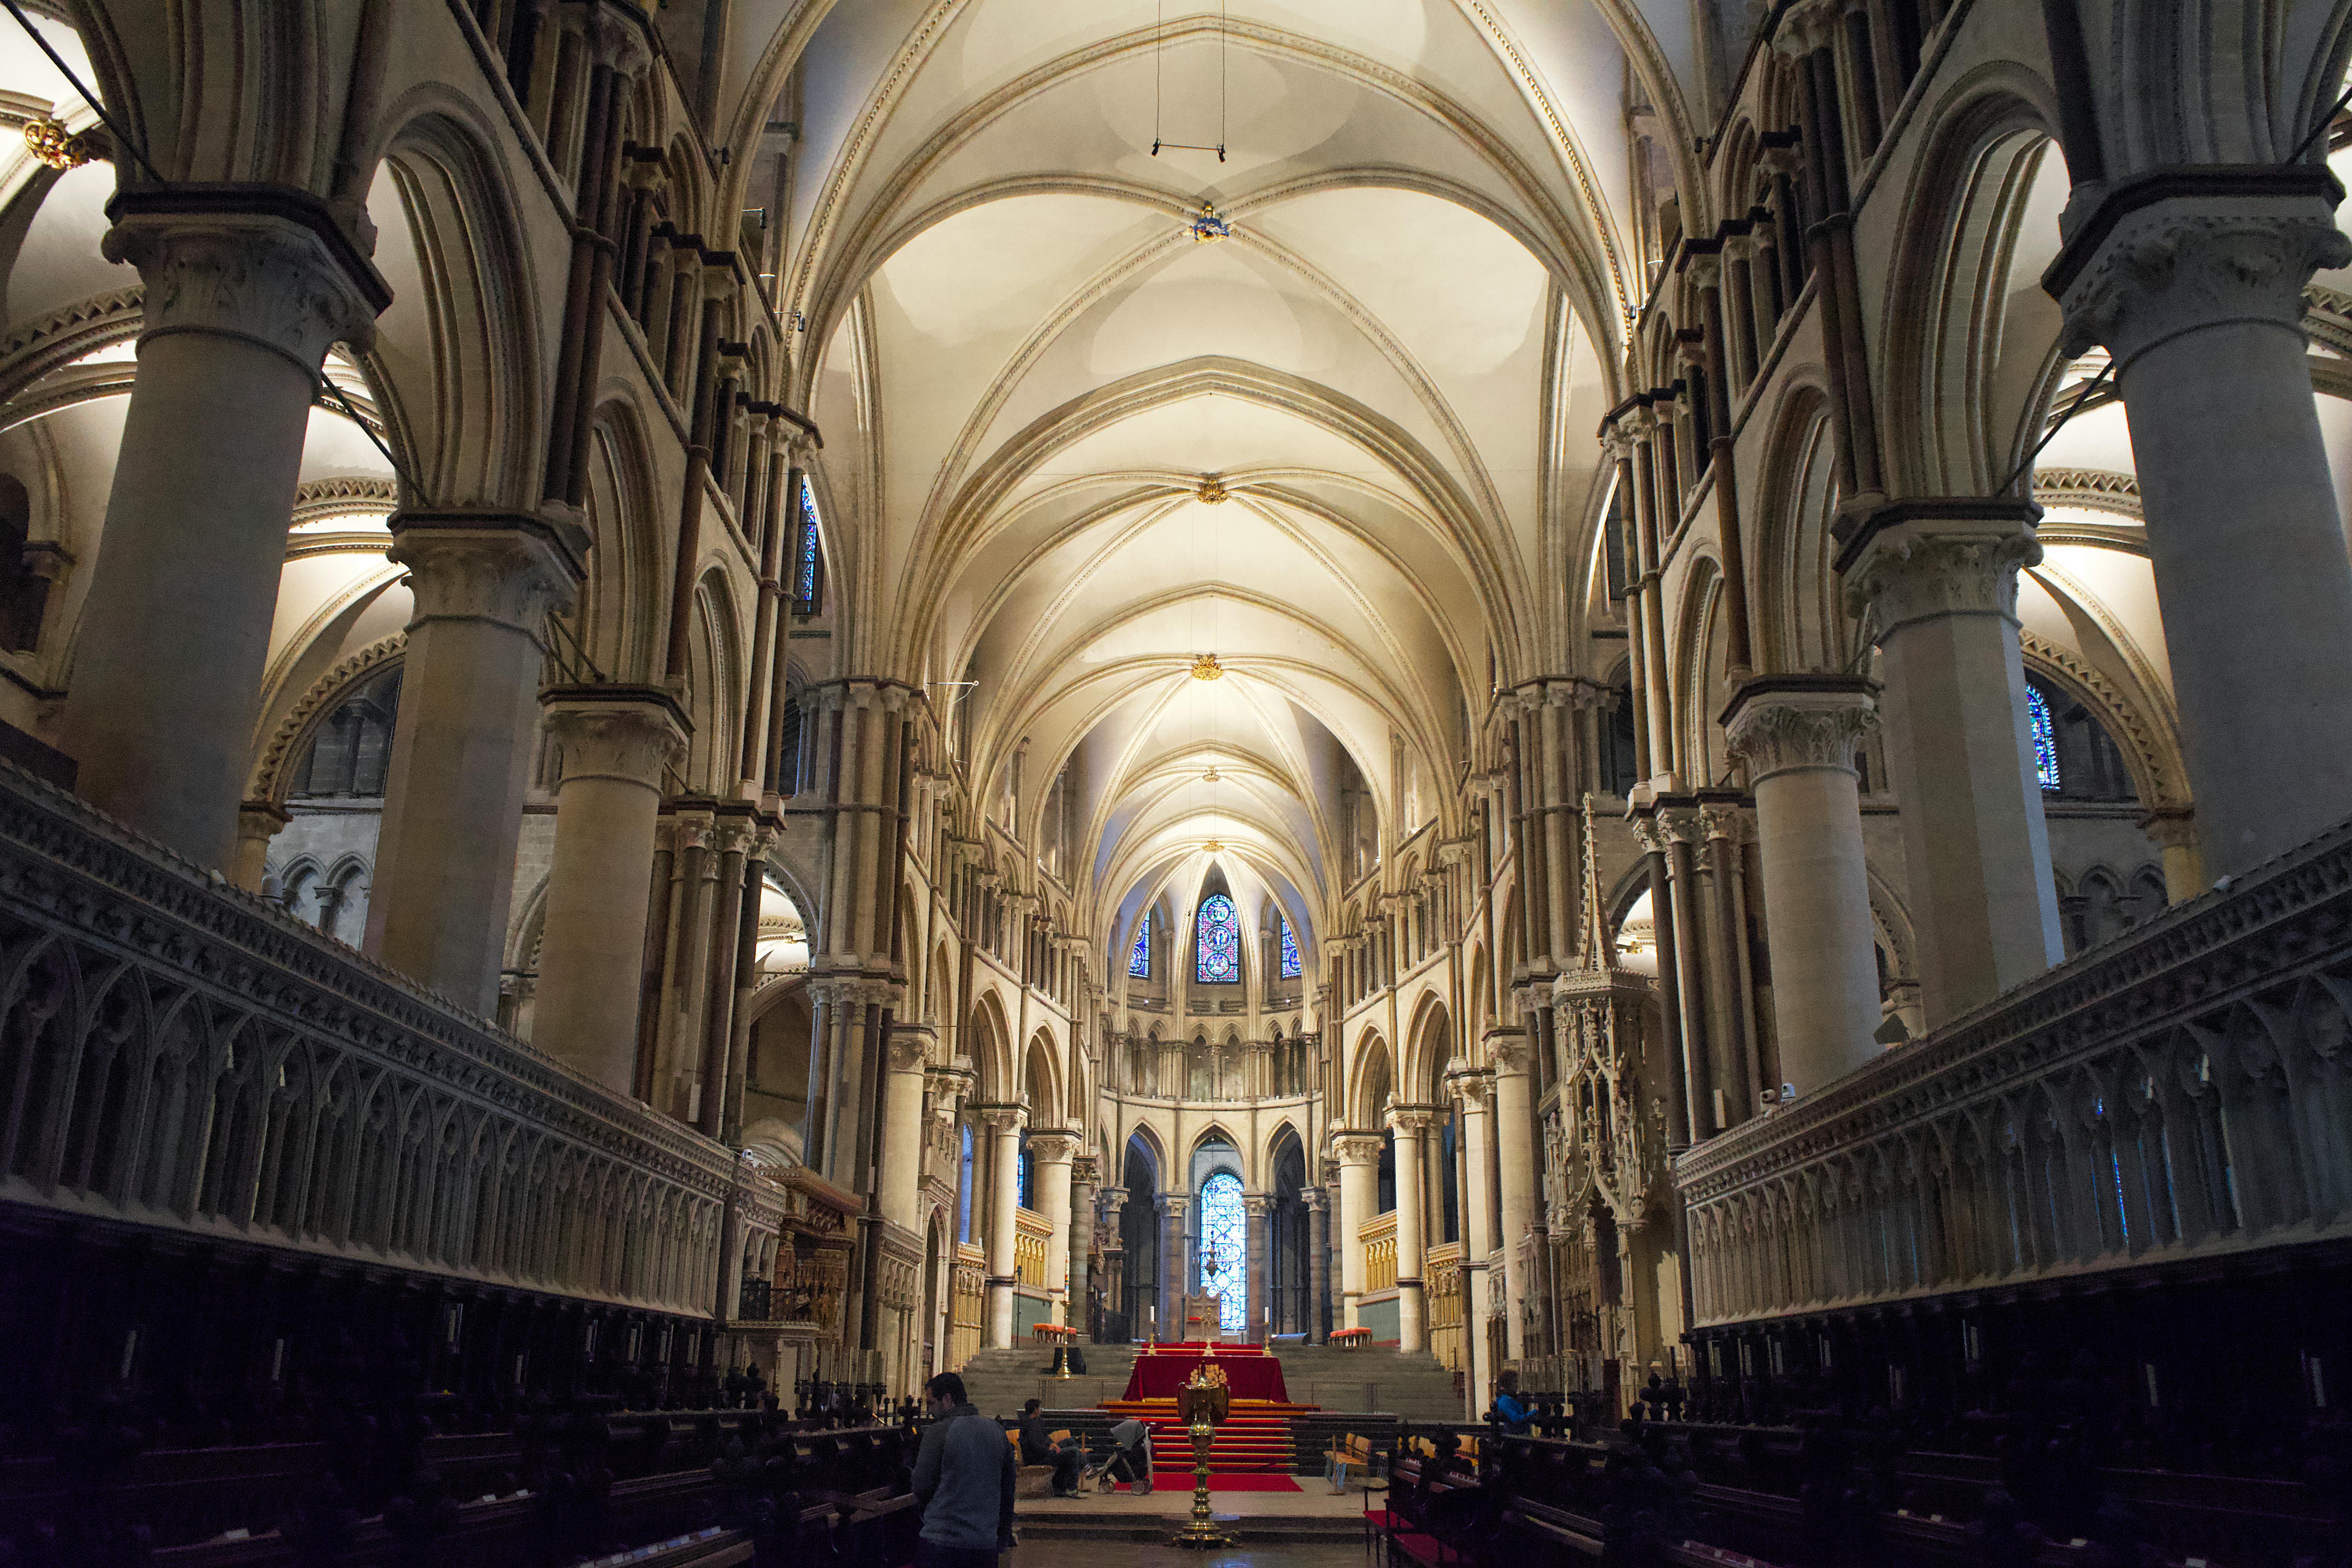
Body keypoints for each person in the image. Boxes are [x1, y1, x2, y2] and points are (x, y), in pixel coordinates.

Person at [911, 1372, 1016, 1568]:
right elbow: (1008, 1492)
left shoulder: (939, 1432)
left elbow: (921, 1487)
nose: (930, 1411)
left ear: (948, 1399)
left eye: (932, 1404)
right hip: (984, 1545)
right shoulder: (997, 1431)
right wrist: (1000, 1539)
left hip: (943, 1544)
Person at [1018, 1398, 1084, 1498]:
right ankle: (1072, 1487)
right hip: (1039, 1458)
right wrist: (1049, 1449)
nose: (1040, 1410)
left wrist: (1054, 1445)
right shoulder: (1029, 1425)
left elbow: (1045, 1437)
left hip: (1045, 1452)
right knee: (1073, 1452)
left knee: (1070, 1441)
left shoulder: (1036, 1422)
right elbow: (1034, 1446)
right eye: (1039, 1408)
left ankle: (1085, 1468)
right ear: (1035, 1410)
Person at [1091, 1413, 1153, 1494]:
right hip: (1136, 1465)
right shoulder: (1141, 1447)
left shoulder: (1137, 1449)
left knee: (1116, 1460)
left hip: (1126, 1469)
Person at [1490, 1369, 1534, 1434]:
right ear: (1507, 1384)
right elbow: (1517, 1420)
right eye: (1514, 1382)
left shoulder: (1513, 1399)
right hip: (1514, 1438)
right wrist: (1534, 1412)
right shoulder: (1505, 1401)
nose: (1517, 1385)